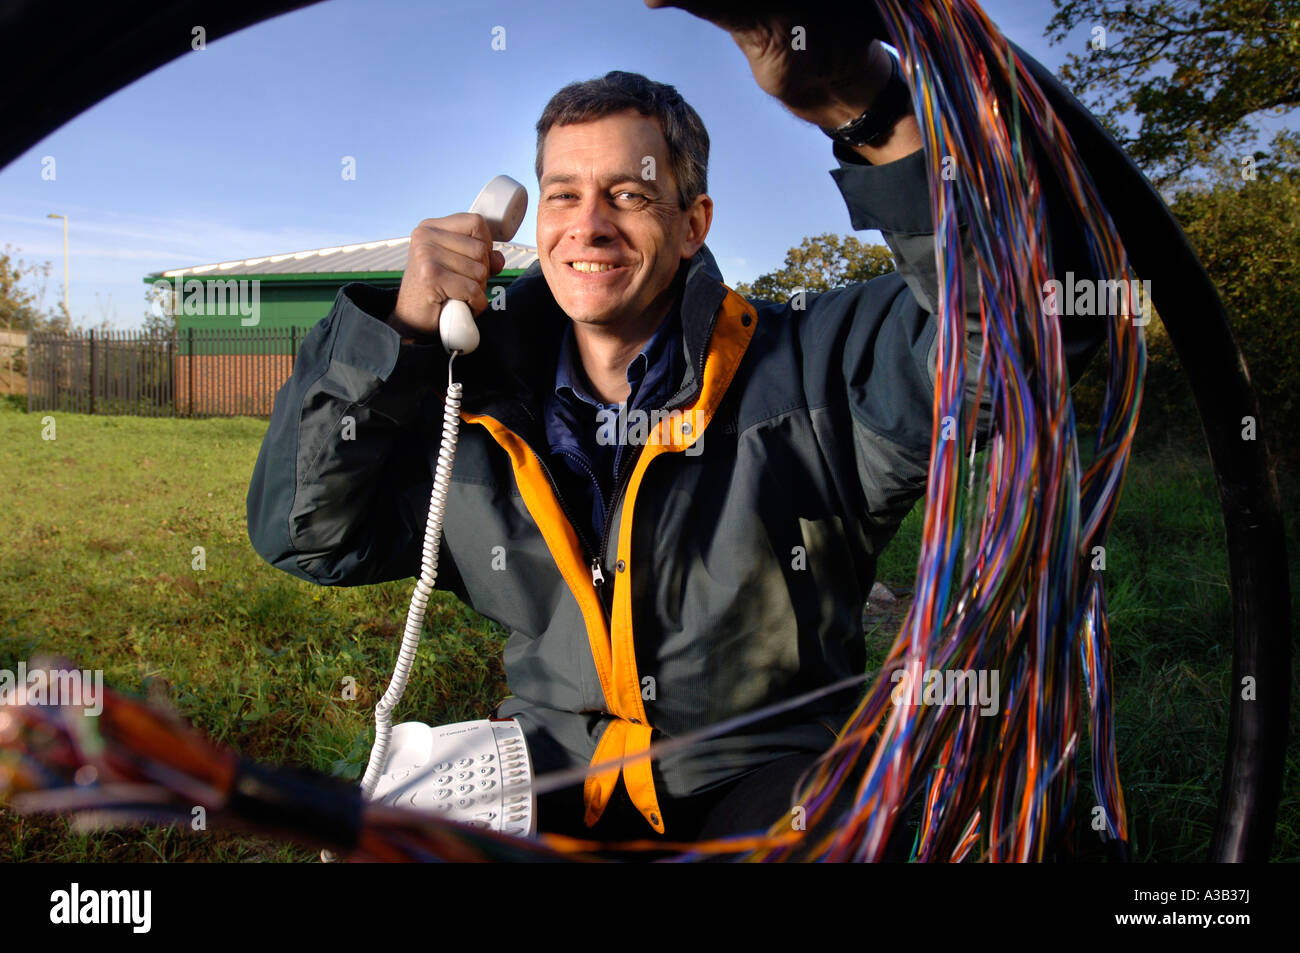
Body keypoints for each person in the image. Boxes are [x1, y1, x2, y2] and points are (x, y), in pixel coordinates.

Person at [247, 10, 1100, 845]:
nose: (589, 224)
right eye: (563, 195)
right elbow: (308, 534)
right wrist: (393, 336)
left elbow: (1036, 328)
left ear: (693, 224)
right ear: (527, 221)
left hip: (758, 782)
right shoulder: (471, 399)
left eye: (630, 193)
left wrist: (864, 102)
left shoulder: (817, 363)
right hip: (546, 773)